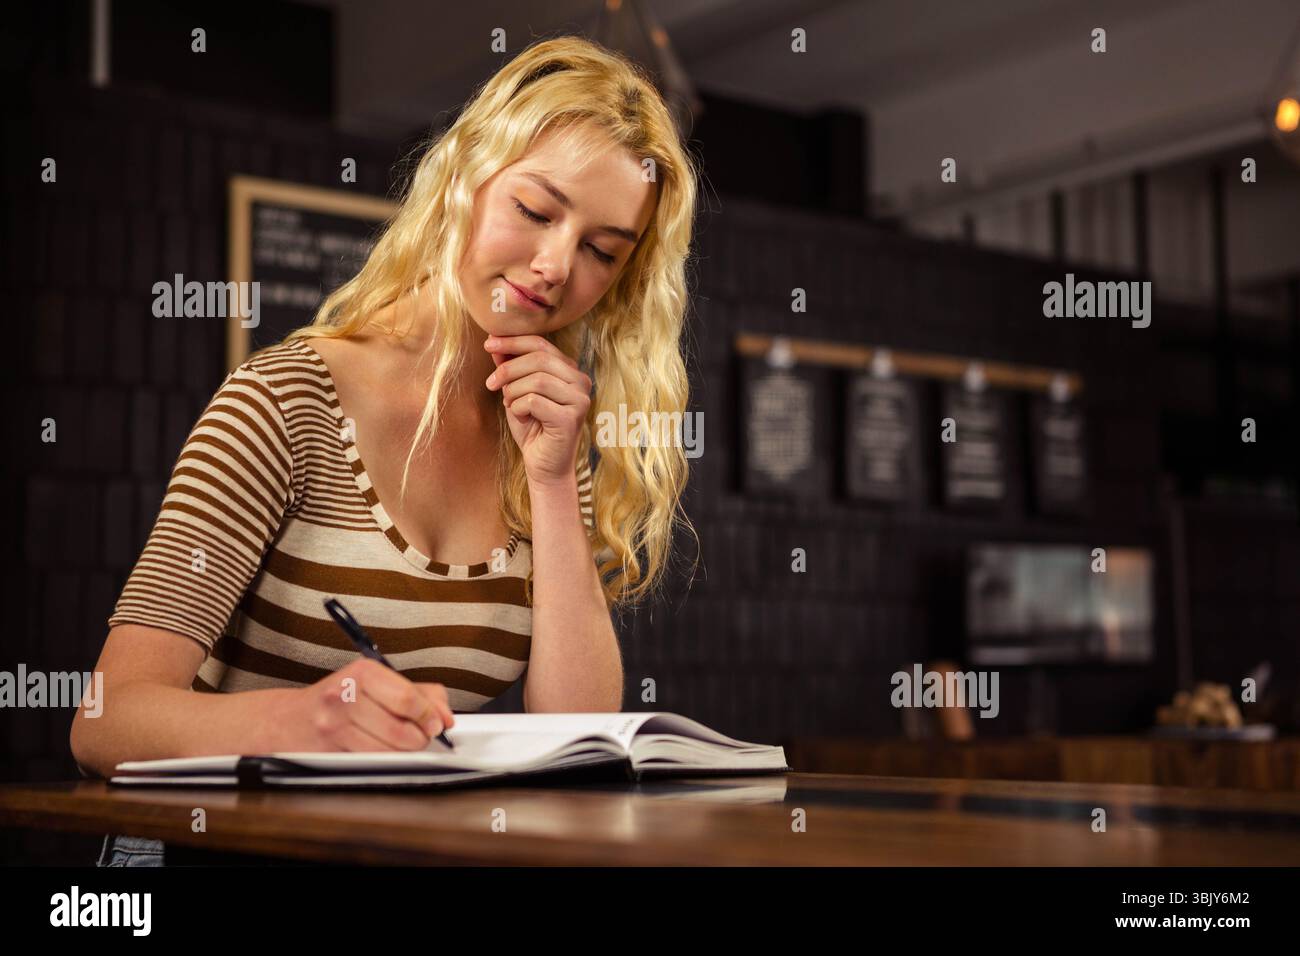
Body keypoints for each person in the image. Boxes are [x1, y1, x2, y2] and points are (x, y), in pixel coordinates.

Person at [72, 35, 699, 864]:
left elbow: (573, 741)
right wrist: (300, 722)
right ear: (465, 179)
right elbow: (106, 719)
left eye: (599, 250)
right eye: (537, 211)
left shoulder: (546, 442)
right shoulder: (285, 401)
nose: (554, 265)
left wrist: (552, 482)